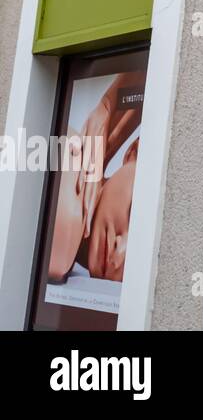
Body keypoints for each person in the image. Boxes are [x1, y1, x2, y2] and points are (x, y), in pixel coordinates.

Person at [46, 71, 144, 284]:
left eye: (143, 251)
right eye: (133, 213)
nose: (120, 251)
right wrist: (108, 105)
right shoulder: (69, 170)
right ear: (133, 152)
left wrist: (109, 106)